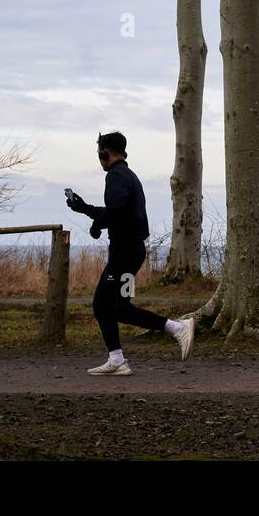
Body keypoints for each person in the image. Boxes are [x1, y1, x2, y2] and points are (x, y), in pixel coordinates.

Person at [66, 131, 194, 375]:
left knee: (107, 305)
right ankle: (117, 359)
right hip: (132, 252)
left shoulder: (115, 177)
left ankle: (177, 328)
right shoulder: (128, 176)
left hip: (124, 253)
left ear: (105, 152)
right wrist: (84, 209)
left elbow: (116, 211)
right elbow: (117, 210)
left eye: (99, 153)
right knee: (112, 306)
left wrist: (96, 224)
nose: (98, 158)